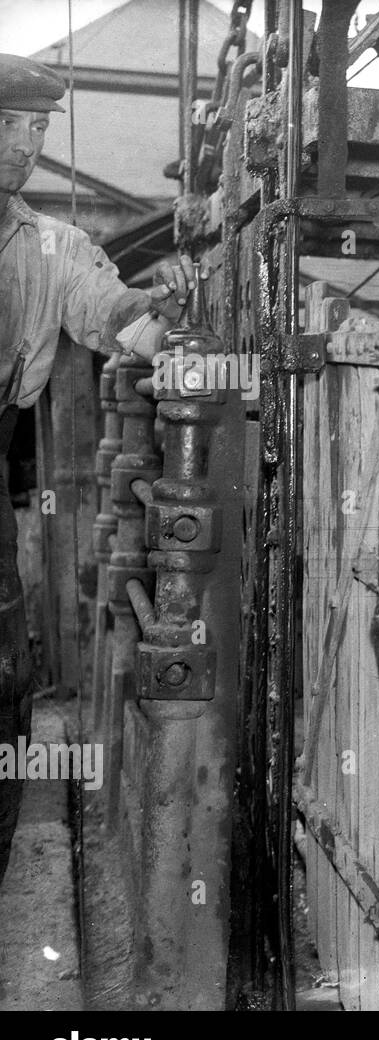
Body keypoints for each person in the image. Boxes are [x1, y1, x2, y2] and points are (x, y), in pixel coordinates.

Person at [0, 54, 193, 892]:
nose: (26, 143)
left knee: (5, 678)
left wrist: (169, 322)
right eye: (10, 124)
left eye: (39, 127)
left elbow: (109, 312)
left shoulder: (47, 245)